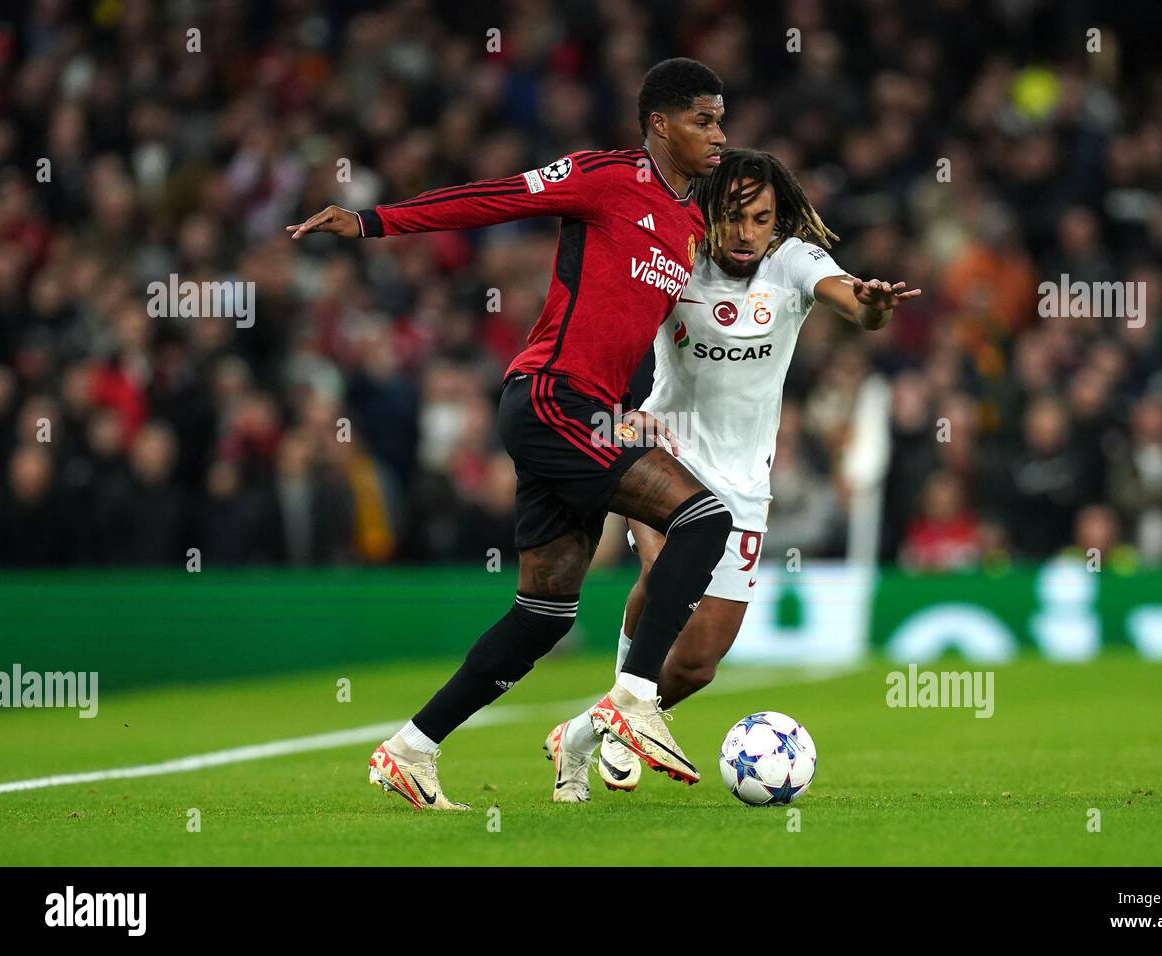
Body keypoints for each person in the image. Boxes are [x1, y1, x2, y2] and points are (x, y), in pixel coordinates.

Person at [288, 58, 731, 810]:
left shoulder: (692, 225)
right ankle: (633, 695)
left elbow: (636, 328)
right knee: (703, 517)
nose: (719, 134)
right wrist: (371, 220)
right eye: (704, 119)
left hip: (591, 411)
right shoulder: (605, 176)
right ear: (659, 123)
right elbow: (493, 199)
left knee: (543, 614)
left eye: (721, 119)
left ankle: (412, 749)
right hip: (551, 397)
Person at [543, 148, 920, 801]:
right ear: (708, 214)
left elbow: (858, 308)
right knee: (666, 576)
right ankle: (628, 709)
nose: (747, 232)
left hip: (745, 479)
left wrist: (874, 305)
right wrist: (610, 415)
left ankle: (583, 732)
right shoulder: (676, 257)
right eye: (734, 216)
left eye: (762, 219)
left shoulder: (793, 261)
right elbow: (613, 323)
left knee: (697, 663)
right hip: (668, 446)